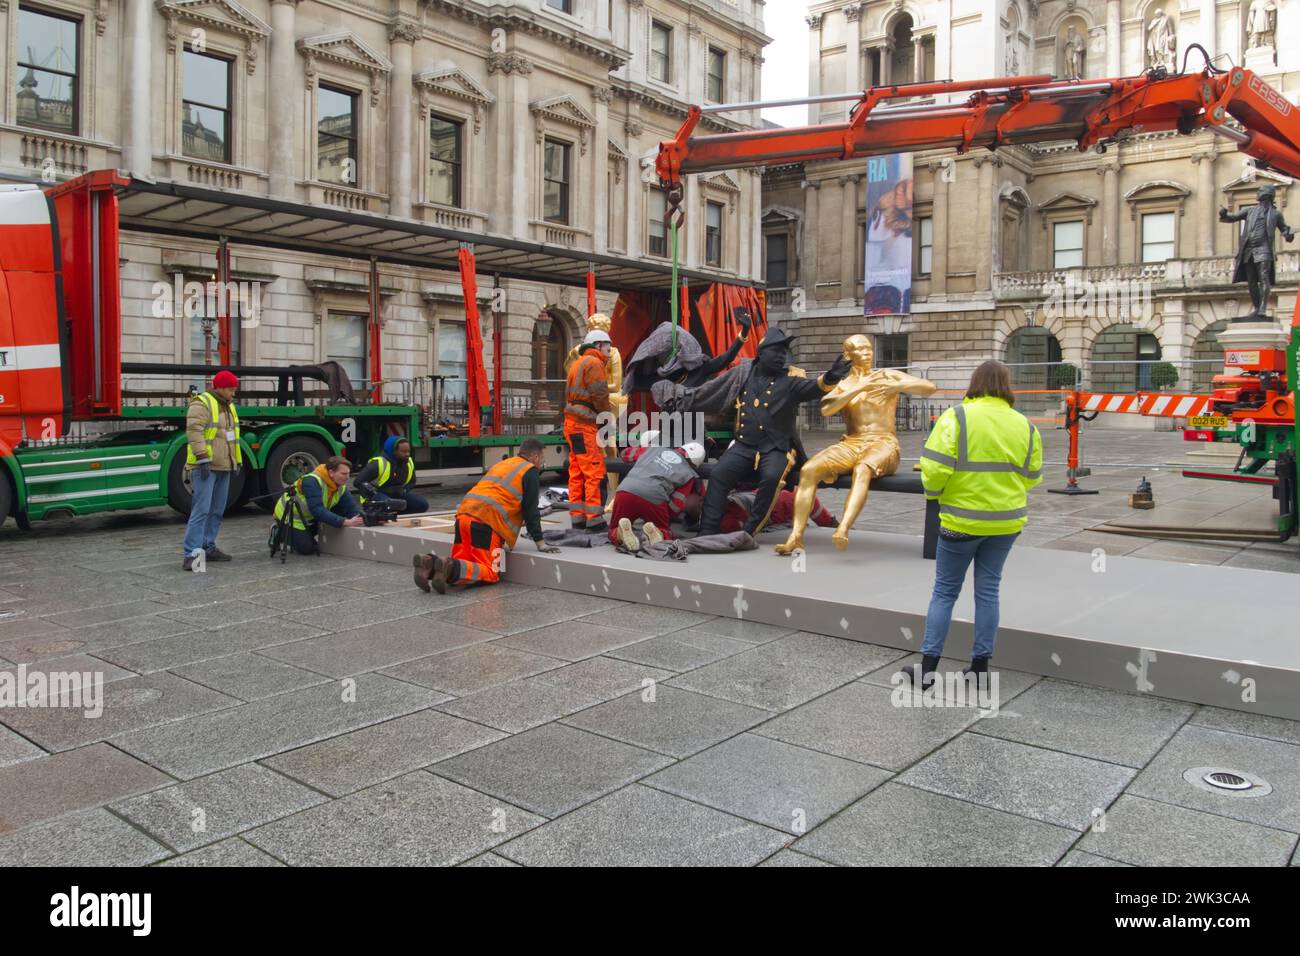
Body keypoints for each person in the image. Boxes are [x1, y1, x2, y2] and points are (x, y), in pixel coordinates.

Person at [904, 361, 1043, 688]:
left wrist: (936, 494)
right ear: (1006, 385)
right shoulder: (1025, 425)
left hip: (960, 521)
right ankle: (979, 669)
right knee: (989, 591)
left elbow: (934, 469)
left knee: (944, 592)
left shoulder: (956, 417)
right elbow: (1033, 476)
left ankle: (927, 670)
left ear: (974, 382)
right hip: (1006, 523)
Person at [697, 326, 851, 536]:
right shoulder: (744, 376)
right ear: (761, 353)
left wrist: (831, 377)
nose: (781, 356)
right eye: (776, 351)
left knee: (771, 478)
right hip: (744, 445)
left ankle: (749, 531)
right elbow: (714, 391)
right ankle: (707, 531)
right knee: (718, 474)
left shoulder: (789, 382)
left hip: (776, 447)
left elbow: (814, 388)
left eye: (784, 352)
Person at [413, 439, 559, 593]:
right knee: (491, 572)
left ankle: (430, 563)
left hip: (464, 515)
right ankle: (448, 566)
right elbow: (530, 510)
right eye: (542, 458)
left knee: (465, 563)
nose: (542, 462)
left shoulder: (503, 464)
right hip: (487, 522)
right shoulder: (530, 471)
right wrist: (540, 543)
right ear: (535, 457)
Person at [182, 369, 241, 570]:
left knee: (216, 511)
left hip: (224, 466)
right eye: (231, 390)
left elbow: (232, 437)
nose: (233, 394)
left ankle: (208, 546)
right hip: (205, 466)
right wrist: (202, 458)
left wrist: (237, 461)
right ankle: (191, 555)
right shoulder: (202, 403)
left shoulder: (229, 406)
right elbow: (194, 431)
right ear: (221, 388)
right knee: (201, 511)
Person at [611, 441, 706, 549]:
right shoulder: (689, 474)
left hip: (625, 491)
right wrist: (666, 516)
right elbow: (677, 503)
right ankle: (656, 531)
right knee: (665, 533)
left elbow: (625, 454)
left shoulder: (654, 449)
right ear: (695, 464)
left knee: (613, 529)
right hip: (654, 499)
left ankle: (619, 533)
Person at [564, 329, 612, 533]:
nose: (610, 351)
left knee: (577, 471)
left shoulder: (577, 364)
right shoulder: (595, 363)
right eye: (608, 346)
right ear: (598, 345)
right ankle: (594, 519)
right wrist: (606, 419)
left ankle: (578, 518)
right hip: (585, 424)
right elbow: (600, 395)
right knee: (593, 471)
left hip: (572, 423)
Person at [274, 455, 364, 555]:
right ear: (331, 473)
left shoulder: (340, 486)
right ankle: (278, 532)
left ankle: (301, 533)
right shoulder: (312, 481)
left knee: (341, 510)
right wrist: (344, 522)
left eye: (348, 474)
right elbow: (317, 510)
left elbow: (352, 510)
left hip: (309, 517)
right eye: (344, 474)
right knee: (308, 549)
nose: (347, 478)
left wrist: (371, 519)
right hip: (290, 518)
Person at [354, 436, 428, 515]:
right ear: (393, 451)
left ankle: (397, 516)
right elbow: (358, 482)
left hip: (398, 494)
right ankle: (376, 513)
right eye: (403, 451)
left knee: (422, 504)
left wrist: (404, 491)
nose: (407, 454)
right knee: (390, 504)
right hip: (376, 495)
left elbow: (412, 482)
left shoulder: (409, 462)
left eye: (408, 451)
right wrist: (373, 493)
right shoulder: (378, 463)